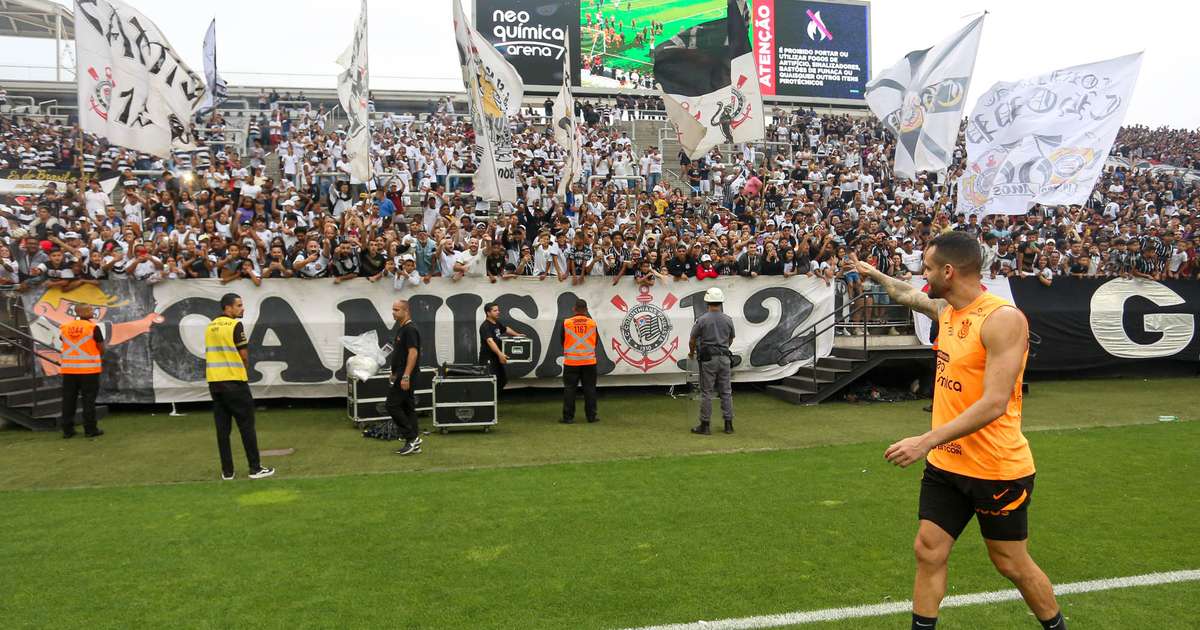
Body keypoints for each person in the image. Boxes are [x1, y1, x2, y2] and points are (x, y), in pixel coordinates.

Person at [856, 231, 1065, 630]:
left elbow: (994, 403)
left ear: (949, 271)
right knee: (928, 550)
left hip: (995, 469)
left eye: (929, 267)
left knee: (1011, 563)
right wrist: (876, 276)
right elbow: (908, 294)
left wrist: (924, 440)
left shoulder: (1002, 320)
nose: (923, 274)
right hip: (947, 466)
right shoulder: (947, 310)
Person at [205, 293, 275, 480]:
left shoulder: (210, 326)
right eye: (238, 305)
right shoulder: (235, 325)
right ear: (228, 308)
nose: (242, 308)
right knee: (246, 427)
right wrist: (243, 370)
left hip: (214, 382)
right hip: (234, 382)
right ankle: (255, 468)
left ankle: (227, 472)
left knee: (222, 429)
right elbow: (243, 355)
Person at [688, 287, 735, 435]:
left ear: (707, 302)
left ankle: (705, 425)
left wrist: (691, 352)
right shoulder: (728, 319)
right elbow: (731, 338)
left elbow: (692, 339)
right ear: (721, 302)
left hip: (708, 358)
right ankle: (728, 425)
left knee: (707, 392)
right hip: (725, 357)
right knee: (726, 391)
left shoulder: (702, 319)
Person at [58, 304, 104, 438]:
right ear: (81, 312)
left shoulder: (65, 327)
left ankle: (67, 431)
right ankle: (90, 429)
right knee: (88, 401)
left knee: (68, 400)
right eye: (89, 309)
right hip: (89, 370)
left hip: (69, 370)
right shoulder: (93, 327)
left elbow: (63, 340)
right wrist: (95, 356)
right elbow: (101, 347)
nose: (92, 311)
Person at [388, 299, 423, 456]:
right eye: (393, 309)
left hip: (407, 374)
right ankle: (413, 442)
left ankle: (410, 437)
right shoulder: (401, 328)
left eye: (397, 310)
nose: (394, 312)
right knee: (408, 407)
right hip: (400, 373)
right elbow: (400, 354)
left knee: (392, 405)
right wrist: (394, 372)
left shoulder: (410, 329)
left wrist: (406, 376)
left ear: (406, 311)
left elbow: (413, 352)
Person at [560, 299, 599, 424]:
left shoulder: (566, 323)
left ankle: (568, 417)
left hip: (571, 362)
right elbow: (596, 341)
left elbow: (562, 340)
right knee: (590, 389)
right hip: (589, 361)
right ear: (586, 310)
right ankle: (591, 417)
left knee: (569, 389)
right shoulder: (592, 323)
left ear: (574, 309)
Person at [478, 302, 525, 394]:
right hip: (488, 359)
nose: (498, 312)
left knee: (502, 380)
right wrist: (500, 354)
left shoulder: (496, 323)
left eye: (498, 310)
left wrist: (517, 335)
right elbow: (490, 341)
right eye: (495, 310)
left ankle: (493, 400)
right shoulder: (485, 326)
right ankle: (487, 401)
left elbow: (506, 329)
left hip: (496, 358)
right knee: (490, 382)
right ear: (488, 313)